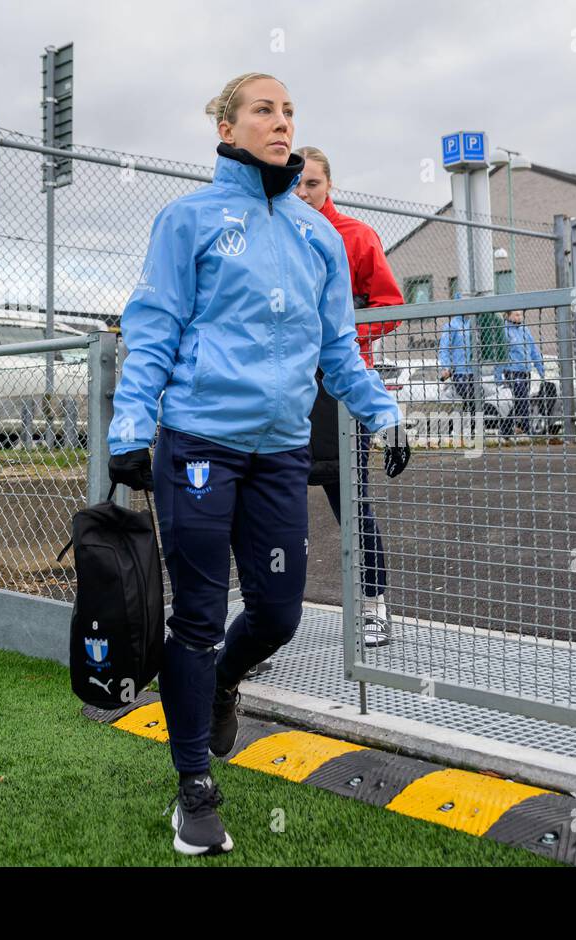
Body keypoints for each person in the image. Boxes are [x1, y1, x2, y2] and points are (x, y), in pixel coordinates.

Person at [105, 72, 410, 857]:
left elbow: (339, 349)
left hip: (281, 448)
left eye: (289, 113)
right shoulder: (189, 219)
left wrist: (383, 412)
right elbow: (155, 327)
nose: (282, 124)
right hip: (199, 443)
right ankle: (194, 788)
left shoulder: (316, 236)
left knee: (278, 611)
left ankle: (225, 685)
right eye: (265, 111)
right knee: (199, 617)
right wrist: (131, 427)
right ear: (228, 127)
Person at [294, 144, 403, 647]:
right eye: (296, 182)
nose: (303, 191)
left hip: (341, 385)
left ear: (329, 185)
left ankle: (374, 604)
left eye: (312, 183)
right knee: (278, 504)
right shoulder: (278, 233)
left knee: (351, 500)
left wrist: (348, 334)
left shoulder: (356, 236)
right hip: (288, 388)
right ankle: (271, 612)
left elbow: (391, 304)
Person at [495, 309, 545, 437]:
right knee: (522, 398)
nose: (520, 317)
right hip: (512, 371)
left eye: (520, 314)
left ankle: (505, 429)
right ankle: (526, 428)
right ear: (508, 316)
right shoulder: (504, 332)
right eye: (516, 315)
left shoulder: (525, 330)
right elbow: (500, 355)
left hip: (525, 371)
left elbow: (533, 350)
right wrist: (498, 376)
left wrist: (541, 370)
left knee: (519, 400)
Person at [438, 304, 479, 437]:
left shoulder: (471, 324)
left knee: (473, 400)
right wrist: (446, 367)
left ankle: (471, 430)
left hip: (472, 371)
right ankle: (460, 429)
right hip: (459, 371)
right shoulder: (451, 326)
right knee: (469, 398)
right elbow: (444, 348)